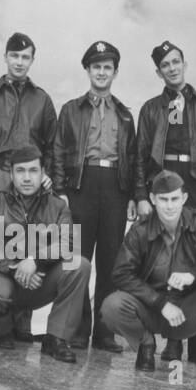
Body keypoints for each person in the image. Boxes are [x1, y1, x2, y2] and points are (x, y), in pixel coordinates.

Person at [101, 170, 196, 390]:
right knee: (112, 305)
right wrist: (160, 303)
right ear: (153, 200)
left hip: (188, 310)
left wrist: (194, 275)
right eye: (164, 200)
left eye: (175, 199)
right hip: (152, 310)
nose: (169, 206)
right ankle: (146, 345)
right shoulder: (139, 232)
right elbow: (121, 274)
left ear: (184, 199)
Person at [135, 41, 196, 363]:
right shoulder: (150, 109)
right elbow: (139, 156)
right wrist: (140, 196)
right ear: (158, 72)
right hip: (165, 177)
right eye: (165, 65)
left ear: (184, 64)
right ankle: (172, 340)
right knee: (166, 256)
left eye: (176, 62)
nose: (172, 68)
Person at [0, 31, 57, 340]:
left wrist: (50, 174)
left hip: (29, 174)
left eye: (25, 57)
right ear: (5, 57)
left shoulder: (42, 99)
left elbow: (52, 143)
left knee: (29, 240)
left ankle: (23, 326)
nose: (19, 62)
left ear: (33, 59)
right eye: (14, 56)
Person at [51, 40, 137, 352]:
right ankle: (76, 330)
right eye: (96, 67)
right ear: (87, 70)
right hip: (81, 185)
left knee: (111, 260)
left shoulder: (126, 115)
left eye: (107, 68)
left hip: (115, 185)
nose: (102, 72)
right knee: (78, 258)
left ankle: (103, 332)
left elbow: (134, 158)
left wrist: (133, 195)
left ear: (115, 72)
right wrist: (60, 191)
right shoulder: (71, 110)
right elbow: (58, 151)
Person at [0, 145, 90, 363]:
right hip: (3, 278)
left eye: (33, 171)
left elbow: (69, 243)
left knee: (79, 264)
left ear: (43, 172)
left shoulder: (57, 206)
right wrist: (15, 267)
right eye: (21, 171)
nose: (27, 178)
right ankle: (2, 328)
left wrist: (35, 260)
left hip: (40, 281)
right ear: (11, 174)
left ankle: (56, 338)